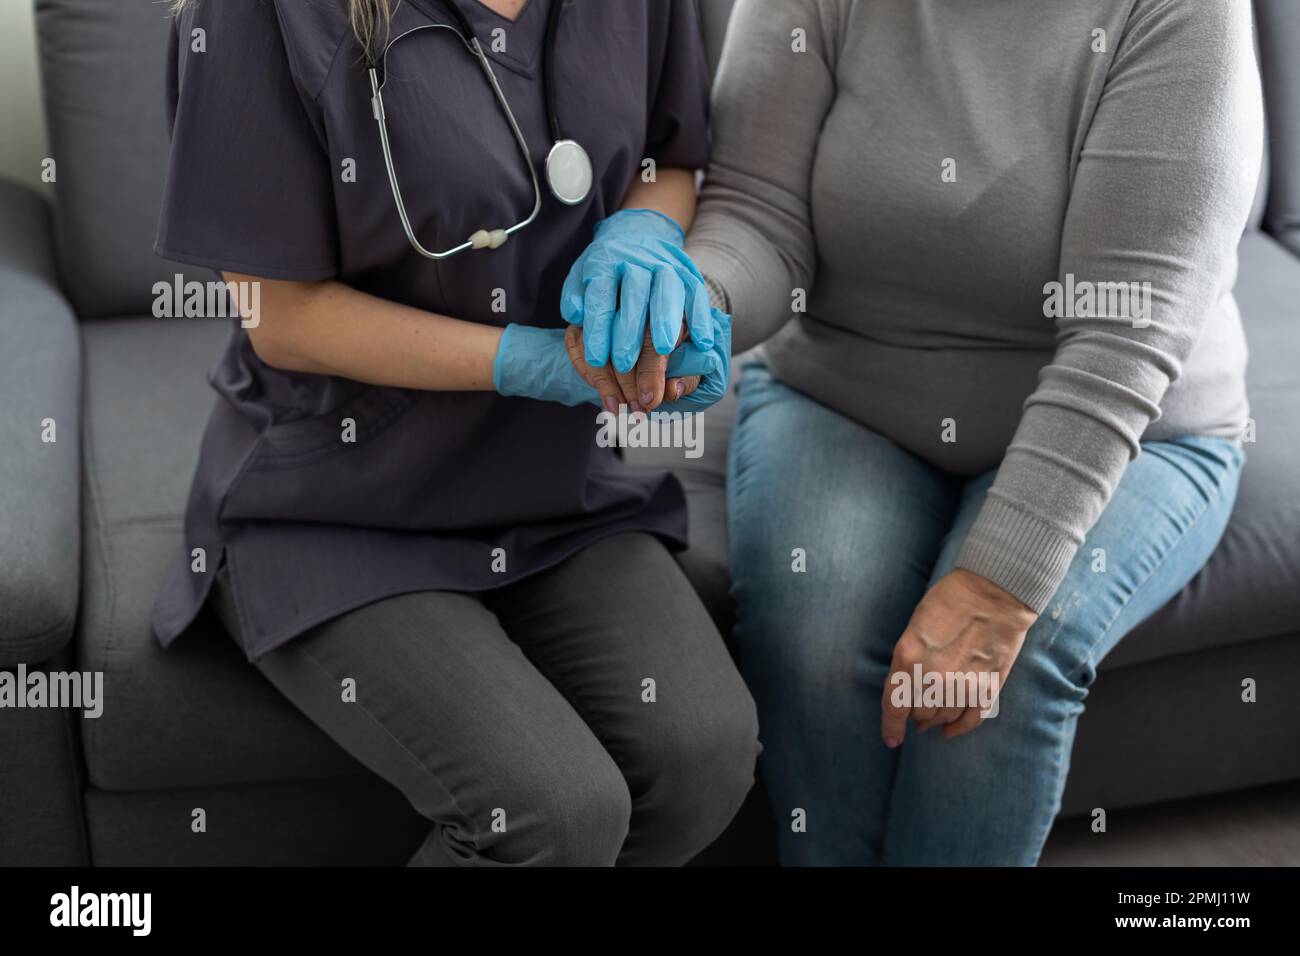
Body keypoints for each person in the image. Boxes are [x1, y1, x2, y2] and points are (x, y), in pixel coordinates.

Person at [588, 0, 1262, 865]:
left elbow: (1122, 336)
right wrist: (696, 306)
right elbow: (759, 214)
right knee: (813, 640)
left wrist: (997, 589)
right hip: (852, 387)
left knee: (991, 680)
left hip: (1127, 412)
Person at [152, 0, 757, 867]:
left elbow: (671, 158)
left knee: (703, 757)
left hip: (552, 478)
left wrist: (644, 233)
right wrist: (528, 360)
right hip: (338, 498)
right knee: (554, 814)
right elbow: (279, 315)